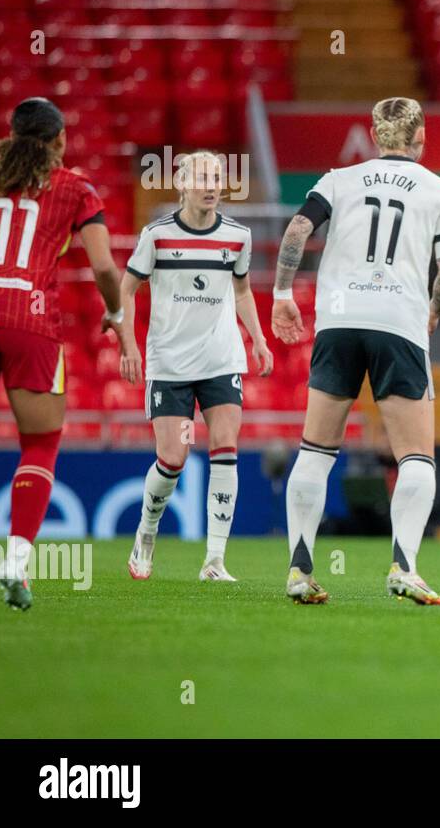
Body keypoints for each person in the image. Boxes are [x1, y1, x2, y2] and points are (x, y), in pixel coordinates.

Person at [271, 97, 440, 605]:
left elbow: (296, 229)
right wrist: (434, 310)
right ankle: (404, 565)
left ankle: (298, 568)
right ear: (421, 138)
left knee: (316, 451)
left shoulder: (338, 178)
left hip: (337, 321)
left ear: (375, 137)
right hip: (398, 323)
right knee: (417, 456)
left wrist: (283, 294)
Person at [0, 97, 130, 610]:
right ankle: (15, 564)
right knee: (40, 444)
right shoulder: (74, 187)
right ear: (60, 141)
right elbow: (106, 269)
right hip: (29, 319)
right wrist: (115, 314)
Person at [118, 150, 273, 582]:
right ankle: (146, 535)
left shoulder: (237, 237)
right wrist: (128, 343)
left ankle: (214, 560)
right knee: (174, 457)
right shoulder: (157, 236)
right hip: (170, 367)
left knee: (225, 448)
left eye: (217, 178)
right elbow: (126, 290)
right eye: (202, 178)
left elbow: (241, 292)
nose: (211, 186)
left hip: (221, 361)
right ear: (182, 184)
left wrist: (258, 339)